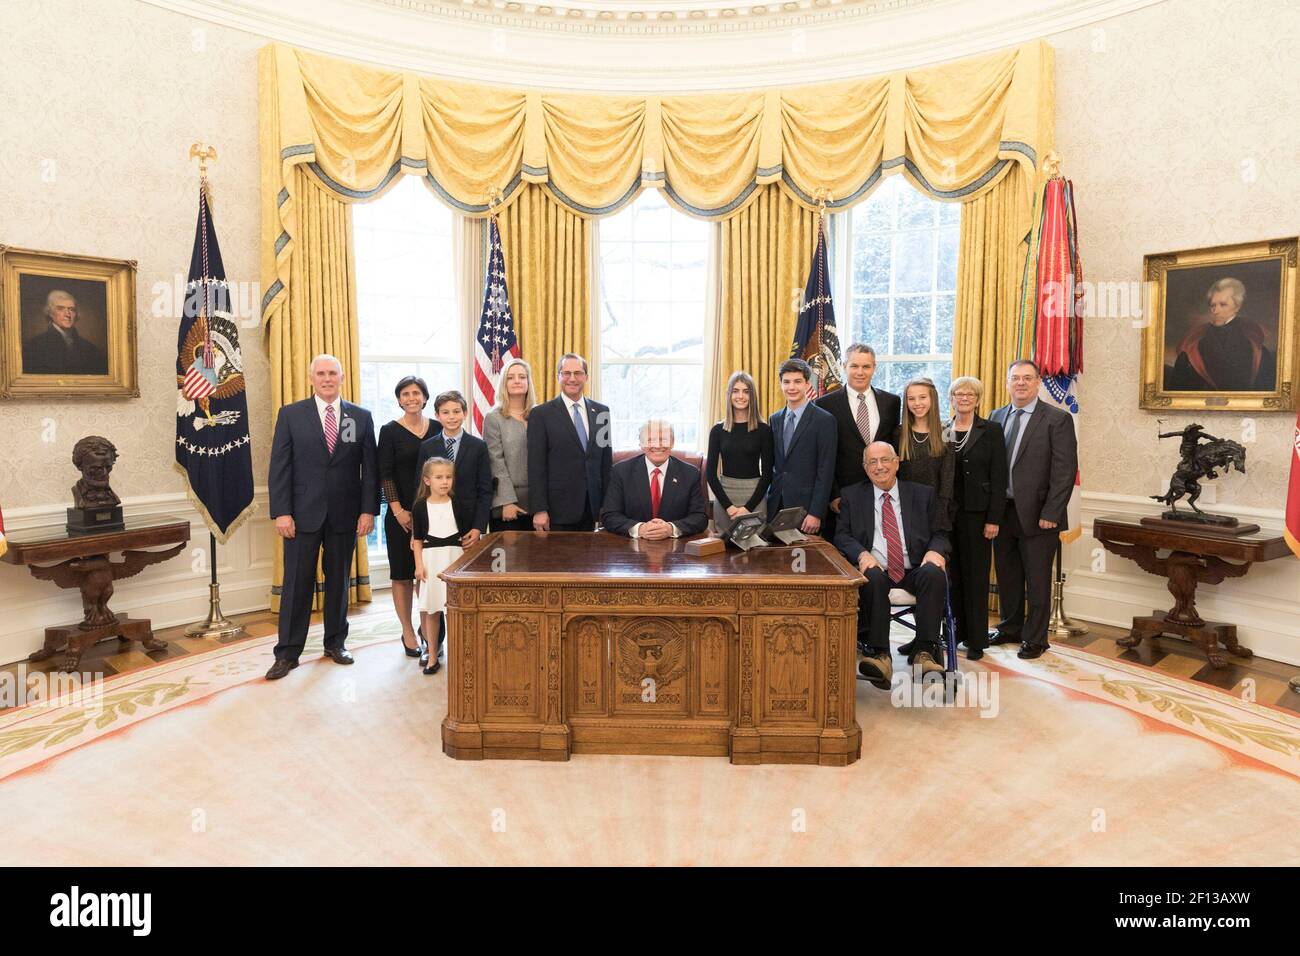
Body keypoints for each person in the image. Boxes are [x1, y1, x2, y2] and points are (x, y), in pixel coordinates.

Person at [266, 354, 379, 680]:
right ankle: (287, 654)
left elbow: (369, 470)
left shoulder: (360, 416)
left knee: (339, 583)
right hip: (301, 516)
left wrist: (368, 510)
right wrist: (282, 512)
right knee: (296, 585)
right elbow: (279, 467)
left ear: (342, 377)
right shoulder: (291, 415)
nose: (327, 378)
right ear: (311, 377)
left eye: (333, 373)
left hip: (345, 515)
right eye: (321, 373)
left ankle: (335, 643)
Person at [833, 441, 949, 689]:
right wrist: (862, 554)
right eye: (872, 462)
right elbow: (842, 536)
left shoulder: (922, 494)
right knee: (872, 577)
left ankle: (925, 653)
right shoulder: (852, 495)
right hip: (878, 568)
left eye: (885, 460)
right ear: (865, 468)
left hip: (914, 567)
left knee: (934, 573)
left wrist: (934, 551)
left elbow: (940, 532)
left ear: (896, 463)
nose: (879, 467)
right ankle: (881, 655)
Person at [988, 359, 1078, 659]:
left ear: (1038, 382)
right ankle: (1010, 627)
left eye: (1028, 378)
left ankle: (1036, 638)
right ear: (1007, 382)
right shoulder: (996, 416)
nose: (1021, 383)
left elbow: (1065, 472)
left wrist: (1052, 513)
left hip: (1041, 516)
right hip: (1003, 513)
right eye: (1015, 378)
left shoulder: (1056, 419)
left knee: (1037, 578)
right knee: (1008, 575)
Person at [413, 389, 491, 667]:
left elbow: (484, 491)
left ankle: (464, 649)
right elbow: (419, 488)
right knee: (433, 596)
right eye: (445, 412)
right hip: (434, 531)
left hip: (465, 532)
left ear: (465, 414)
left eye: (456, 411)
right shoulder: (428, 446)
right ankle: (433, 647)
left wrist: (478, 528)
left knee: (460, 595)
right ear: (437, 416)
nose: (451, 417)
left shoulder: (478, 446)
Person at [943, 376, 1007, 661]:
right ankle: (953, 635)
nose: (964, 398)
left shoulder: (991, 430)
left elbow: (999, 477)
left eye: (970, 394)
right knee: (951, 577)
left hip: (979, 516)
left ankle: (977, 640)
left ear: (978, 399)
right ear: (952, 398)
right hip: (947, 516)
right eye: (959, 393)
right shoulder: (943, 430)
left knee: (976, 576)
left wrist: (994, 518)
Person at [815, 343, 901, 539]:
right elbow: (824, 456)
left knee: (880, 552)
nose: (860, 372)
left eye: (866, 367)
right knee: (844, 556)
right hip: (843, 496)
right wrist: (833, 494)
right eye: (854, 366)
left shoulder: (891, 402)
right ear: (844, 366)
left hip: (882, 491)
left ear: (874, 368)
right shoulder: (825, 404)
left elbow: (892, 447)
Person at [377, 375, 433, 659]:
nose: (411, 398)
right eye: (405, 394)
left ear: (425, 397)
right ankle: (408, 631)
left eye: (416, 393)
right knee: (402, 576)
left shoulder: (437, 427)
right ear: (399, 399)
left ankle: (428, 631)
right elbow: (384, 474)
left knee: (426, 575)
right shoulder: (389, 431)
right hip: (400, 515)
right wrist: (398, 511)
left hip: (433, 515)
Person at [527, 353, 612, 532]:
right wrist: (539, 509)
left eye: (578, 373)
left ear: (586, 377)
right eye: (566, 373)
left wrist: (607, 506)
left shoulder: (602, 413)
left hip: (592, 508)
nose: (572, 378)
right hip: (557, 511)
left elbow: (605, 463)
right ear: (558, 376)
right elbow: (536, 466)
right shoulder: (541, 414)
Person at [601, 420, 709, 538]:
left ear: (672, 443)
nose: (657, 445)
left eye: (664, 439)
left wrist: (671, 528)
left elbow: (700, 517)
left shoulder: (690, 474)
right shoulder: (621, 471)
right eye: (651, 440)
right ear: (641, 445)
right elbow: (610, 515)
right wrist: (639, 529)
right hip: (631, 546)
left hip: (676, 549)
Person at [1166, 278, 1277, 391]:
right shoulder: (1193, 343)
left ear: (1237, 307)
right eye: (1212, 305)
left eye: (1223, 305)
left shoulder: (1254, 345)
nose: (1215, 310)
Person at [767, 358, 837, 535]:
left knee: (806, 560)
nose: (792, 387)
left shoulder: (824, 420)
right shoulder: (775, 419)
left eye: (797, 381)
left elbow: (826, 470)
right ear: (781, 384)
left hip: (806, 510)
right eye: (787, 382)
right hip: (776, 505)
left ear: (807, 384)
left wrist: (816, 512)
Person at [412, 458, 463, 676]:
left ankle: (460, 656)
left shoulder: (457, 503)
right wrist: (419, 565)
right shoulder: (420, 506)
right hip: (431, 561)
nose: (444, 482)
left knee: (455, 612)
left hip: (455, 559)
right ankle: (432, 655)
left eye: (448, 477)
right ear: (427, 480)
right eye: (439, 477)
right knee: (432, 611)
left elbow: (465, 538)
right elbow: (417, 540)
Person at [704, 371, 773, 532]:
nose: (740, 396)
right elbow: (710, 474)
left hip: (755, 497)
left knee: (755, 550)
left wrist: (748, 508)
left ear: (752, 396)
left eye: (746, 391)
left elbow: (768, 474)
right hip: (725, 497)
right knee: (725, 551)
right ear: (729, 395)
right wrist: (729, 507)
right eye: (735, 391)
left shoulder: (764, 430)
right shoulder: (717, 430)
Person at [483, 357, 536, 532]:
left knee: (540, 558)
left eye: (522, 377)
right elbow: (495, 462)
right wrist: (506, 501)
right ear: (503, 383)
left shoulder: (540, 415)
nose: (517, 381)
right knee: (509, 558)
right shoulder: (493, 418)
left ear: (528, 382)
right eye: (511, 377)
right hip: (507, 505)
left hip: (539, 504)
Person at [896, 377, 954, 531]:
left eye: (922, 397)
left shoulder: (947, 433)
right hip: (904, 508)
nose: (917, 403)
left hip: (935, 510)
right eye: (911, 399)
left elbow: (948, 477)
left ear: (932, 399)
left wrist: (941, 512)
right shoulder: (898, 433)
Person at [22, 290, 108, 375]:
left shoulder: (90, 349)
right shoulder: (34, 346)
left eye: (72, 309)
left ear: (76, 314)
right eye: (60, 309)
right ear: (50, 313)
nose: (67, 314)